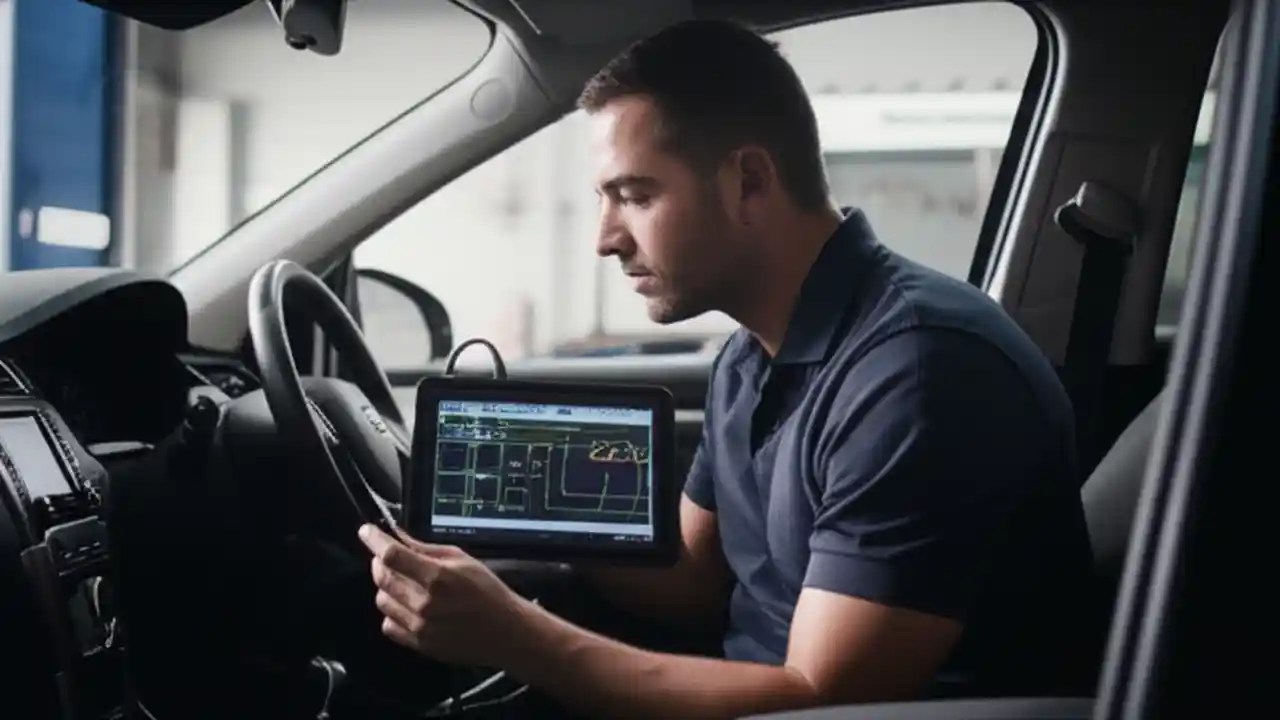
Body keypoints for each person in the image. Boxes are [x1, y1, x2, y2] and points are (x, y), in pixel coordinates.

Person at [357, 19, 1102, 719]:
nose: (605, 239)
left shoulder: (921, 370)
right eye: (604, 199)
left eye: (637, 195)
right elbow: (692, 580)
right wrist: (525, 513)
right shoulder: (750, 353)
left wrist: (518, 635)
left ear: (749, 181)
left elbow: (824, 696)